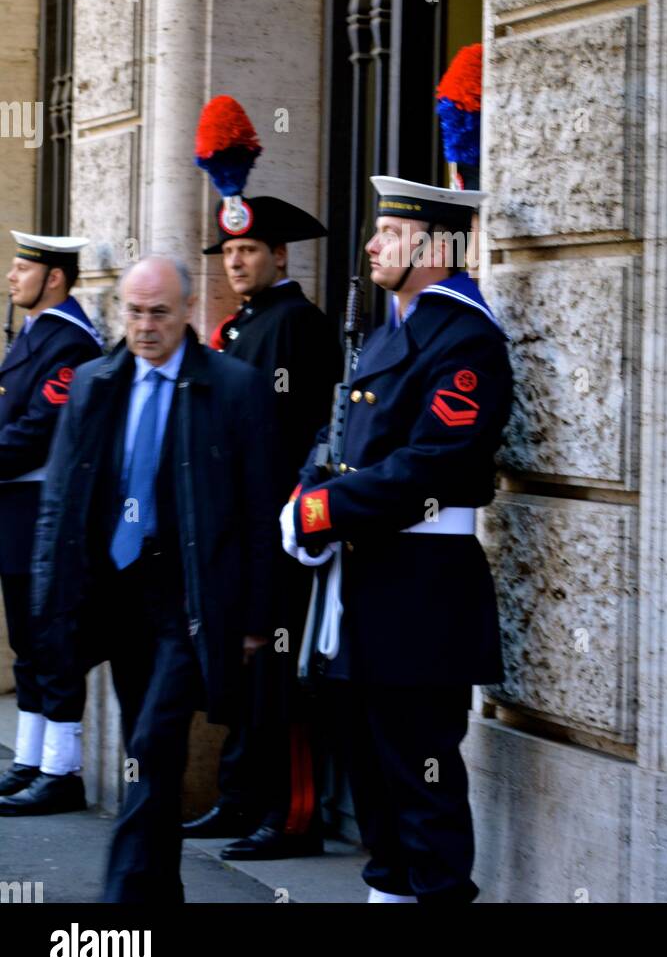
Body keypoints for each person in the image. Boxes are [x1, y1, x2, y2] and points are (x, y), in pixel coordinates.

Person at [281, 175, 512, 903]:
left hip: (421, 584)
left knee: (421, 775)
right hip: (365, 579)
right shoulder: (392, 329)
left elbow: (431, 463)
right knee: (372, 773)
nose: (373, 243)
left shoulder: (466, 337)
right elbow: (342, 436)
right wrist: (307, 493)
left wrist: (321, 513)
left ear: (437, 245)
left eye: (391, 232)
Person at [29, 256, 275, 903]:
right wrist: (48, 597)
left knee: (152, 737)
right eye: (134, 312)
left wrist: (254, 619)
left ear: (187, 311)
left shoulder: (233, 387)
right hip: (115, 597)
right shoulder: (94, 382)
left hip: (189, 599)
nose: (144, 327)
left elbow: (258, 512)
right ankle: (159, 891)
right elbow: (59, 496)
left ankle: (123, 904)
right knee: (152, 748)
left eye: (158, 312)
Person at [182, 195, 341, 860]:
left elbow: (292, 435)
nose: (237, 262)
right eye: (230, 252)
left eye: (250, 251)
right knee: (245, 673)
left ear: (280, 255)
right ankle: (242, 796)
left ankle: (294, 814)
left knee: (282, 673)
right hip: (239, 527)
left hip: (281, 524)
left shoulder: (298, 324)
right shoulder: (240, 328)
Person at [0, 231, 101, 816]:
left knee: (52, 641)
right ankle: (32, 759)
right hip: (16, 510)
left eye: (22, 269)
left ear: (54, 278)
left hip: (44, 511)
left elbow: (37, 430)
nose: (12, 278)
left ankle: (63, 769)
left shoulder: (69, 343)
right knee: (27, 643)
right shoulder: (38, 333)